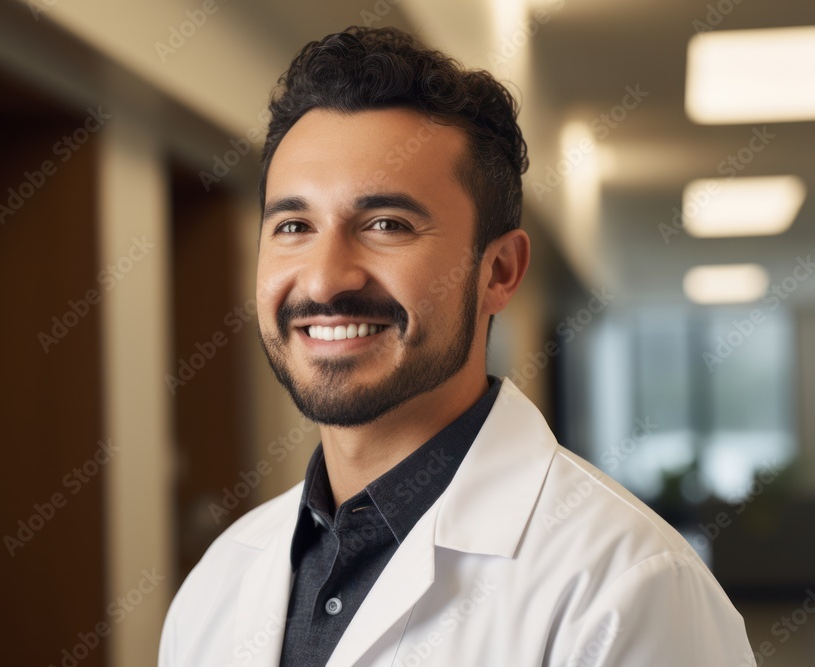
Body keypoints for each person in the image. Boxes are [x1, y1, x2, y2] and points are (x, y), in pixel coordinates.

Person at [159, 26, 755, 667]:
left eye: (387, 224)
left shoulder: (630, 585)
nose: (327, 277)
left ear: (498, 272)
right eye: (294, 225)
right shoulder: (219, 580)